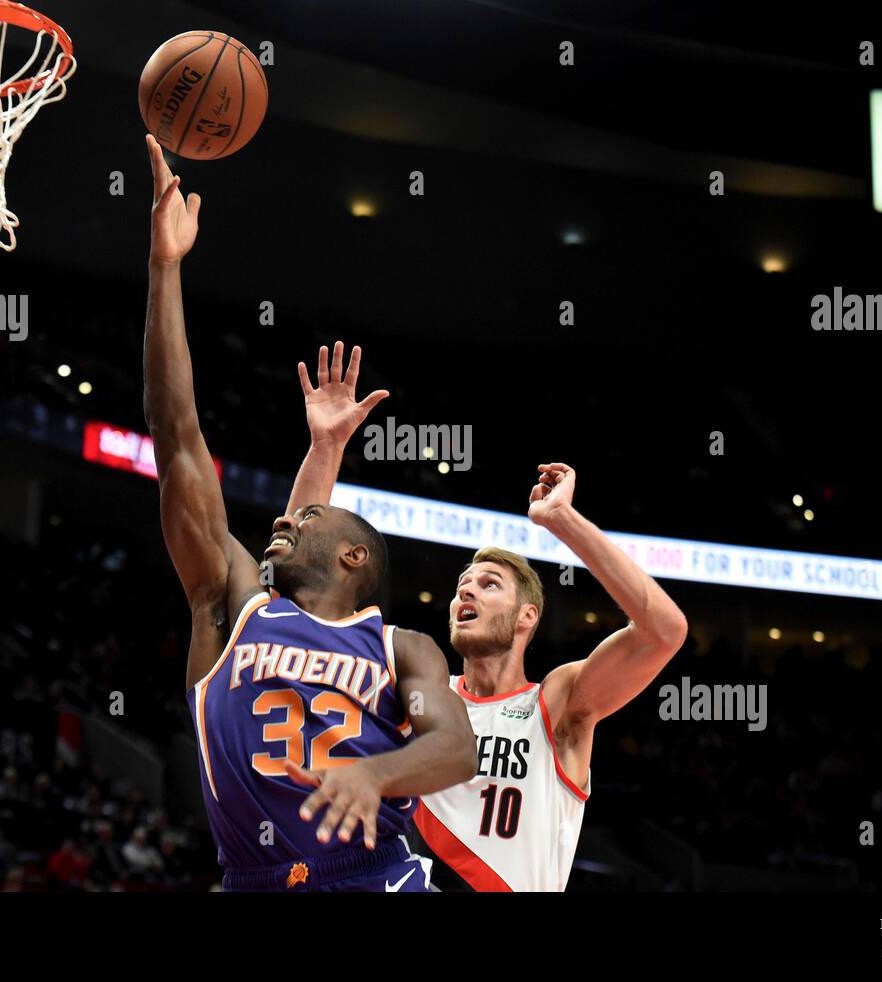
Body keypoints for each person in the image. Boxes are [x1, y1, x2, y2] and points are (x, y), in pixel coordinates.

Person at [142, 135, 475, 892]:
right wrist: (165, 269)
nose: (283, 523)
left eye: (307, 520)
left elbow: (455, 748)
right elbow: (177, 436)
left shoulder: (403, 650)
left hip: (373, 875)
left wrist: (378, 776)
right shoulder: (231, 605)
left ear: (356, 556)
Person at [289, 386, 688, 892]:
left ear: (527, 617)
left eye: (488, 584)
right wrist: (325, 449)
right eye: (461, 586)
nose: (465, 593)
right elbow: (292, 605)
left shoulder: (558, 704)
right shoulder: (418, 691)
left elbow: (664, 631)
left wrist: (562, 522)